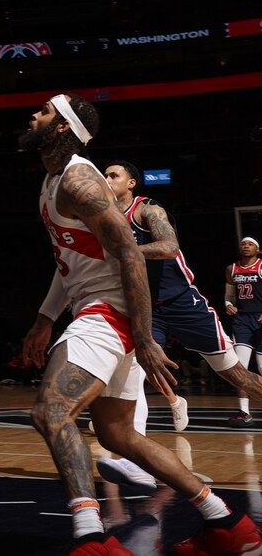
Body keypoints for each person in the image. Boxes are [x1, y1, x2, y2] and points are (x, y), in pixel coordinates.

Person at [18, 93, 261, 556]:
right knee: (118, 434)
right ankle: (228, 525)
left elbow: (130, 252)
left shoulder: (81, 180)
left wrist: (144, 336)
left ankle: (92, 538)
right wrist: (45, 316)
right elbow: (70, 258)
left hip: (112, 312)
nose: (34, 114)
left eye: (45, 111)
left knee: (50, 412)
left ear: (64, 127)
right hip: (109, 311)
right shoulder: (52, 181)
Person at [95, 163, 262, 488]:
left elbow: (169, 247)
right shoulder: (102, 218)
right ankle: (135, 462)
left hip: (182, 303)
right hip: (142, 307)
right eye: (103, 174)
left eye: (113, 175)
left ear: (131, 183)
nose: (106, 179)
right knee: (136, 374)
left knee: (236, 374)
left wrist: (128, 252)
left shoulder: (148, 209)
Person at [226, 235, 262, 426]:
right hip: (242, 321)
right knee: (240, 368)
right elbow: (229, 296)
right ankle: (244, 411)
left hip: (260, 318)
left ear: (258, 249)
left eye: (250, 244)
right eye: (243, 244)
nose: (246, 246)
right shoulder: (231, 269)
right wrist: (228, 304)